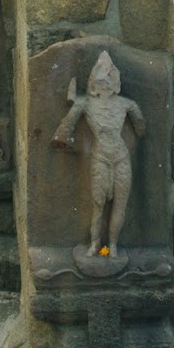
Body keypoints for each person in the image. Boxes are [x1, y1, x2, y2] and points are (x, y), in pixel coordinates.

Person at [52, 51, 146, 258]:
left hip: (121, 157)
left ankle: (113, 244)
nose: (105, 84)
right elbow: (63, 130)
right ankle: (95, 243)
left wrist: (137, 117)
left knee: (120, 205)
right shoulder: (85, 103)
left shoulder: (126, 104)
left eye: (109, 79)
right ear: (93, 83)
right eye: (100, 80)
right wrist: (67, 141)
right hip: (100, 157)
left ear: (115, 83)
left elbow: (141, 129)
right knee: (98, 204)